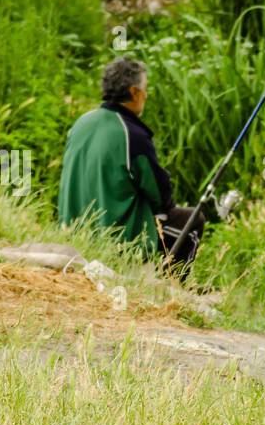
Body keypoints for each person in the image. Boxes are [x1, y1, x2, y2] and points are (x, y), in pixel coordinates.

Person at [58, 57, 209, 272]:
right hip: (116, 241)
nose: (146, 95)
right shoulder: (132, 134)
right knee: (192, 221)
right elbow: (160, 194)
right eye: (144, 89)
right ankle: (173, 287)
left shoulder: (82, 123)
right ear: (134, 92)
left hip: (72, 234)